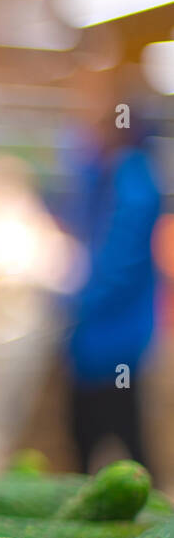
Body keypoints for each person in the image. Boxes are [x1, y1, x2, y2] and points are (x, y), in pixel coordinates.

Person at [61, 65, 163, 472]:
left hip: (115, 339)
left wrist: (71, 294)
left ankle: (155, 521)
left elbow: (118, 265)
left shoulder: (133, 182)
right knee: (84, 436)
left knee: (125, 437)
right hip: (91, 338)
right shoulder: (101, 175)